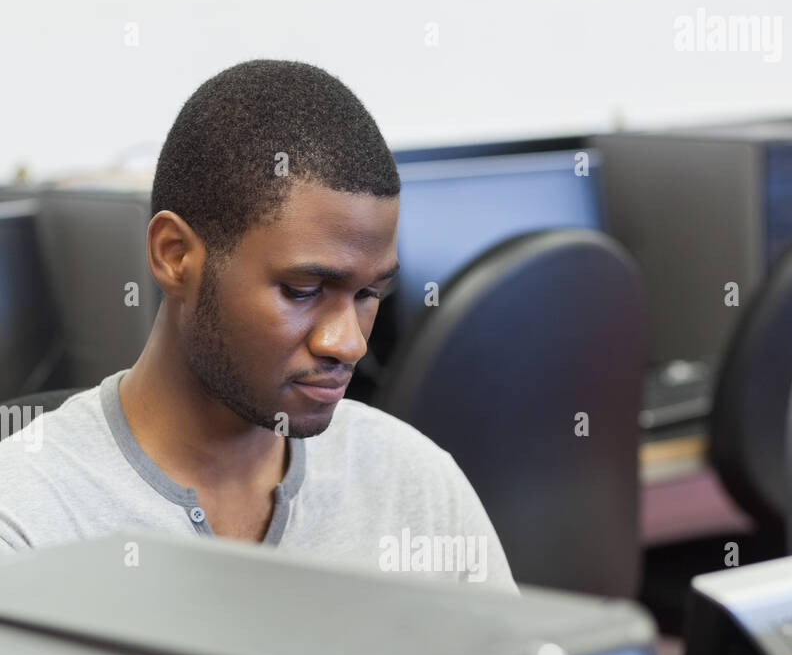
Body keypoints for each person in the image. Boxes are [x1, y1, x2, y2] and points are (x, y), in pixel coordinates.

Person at [0, 60, 517, 593]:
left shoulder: (415, 485)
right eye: (302, 291)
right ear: (174, 256)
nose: (349, 343)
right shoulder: (26, 524)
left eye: (369, 295)